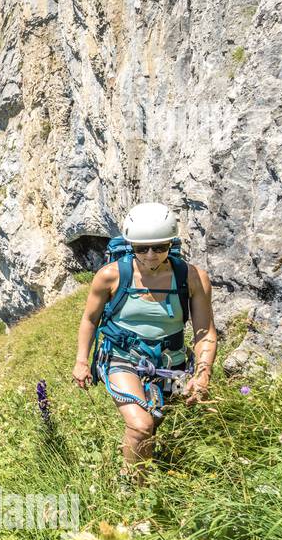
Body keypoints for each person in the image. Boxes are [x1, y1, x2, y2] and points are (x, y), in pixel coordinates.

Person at [72, 203, 217, 477]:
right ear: (131, 246)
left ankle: (141, 465)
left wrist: (203, 373)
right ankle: (134, 491)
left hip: (170, 362)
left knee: (154, 424)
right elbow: (90, 320)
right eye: (141, 248)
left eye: (160, 247)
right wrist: (81, 361)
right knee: (141, 425)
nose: (151, 255)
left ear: (171, 244)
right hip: (122, 357)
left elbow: (204, 331)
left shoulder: (193, 278)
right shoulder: (111, 276)